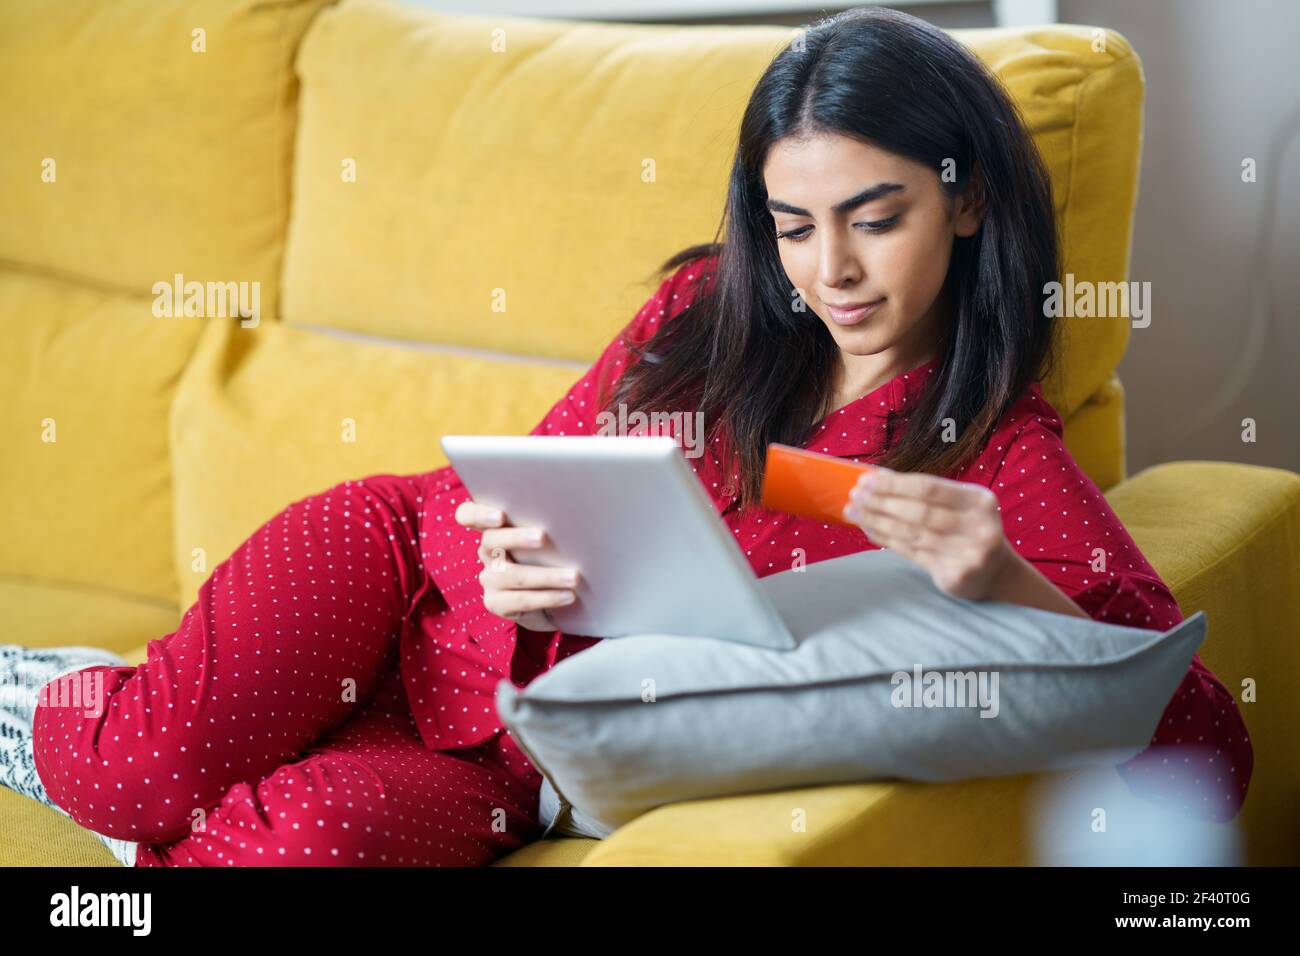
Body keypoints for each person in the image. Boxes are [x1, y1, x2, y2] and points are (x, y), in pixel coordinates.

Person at [0, 5, 1250, 867]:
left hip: (523, 750)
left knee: (306, 839)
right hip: (394, 569)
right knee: (132, 769)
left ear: (968, 197)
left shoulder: (1000, 459)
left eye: (877, 217)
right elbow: (532, 467)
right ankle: (41, 693)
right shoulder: (711, 308)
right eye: (794, 224)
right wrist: (495, 544)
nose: (833, 270)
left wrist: (1007, 585)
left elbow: (1206, 743)